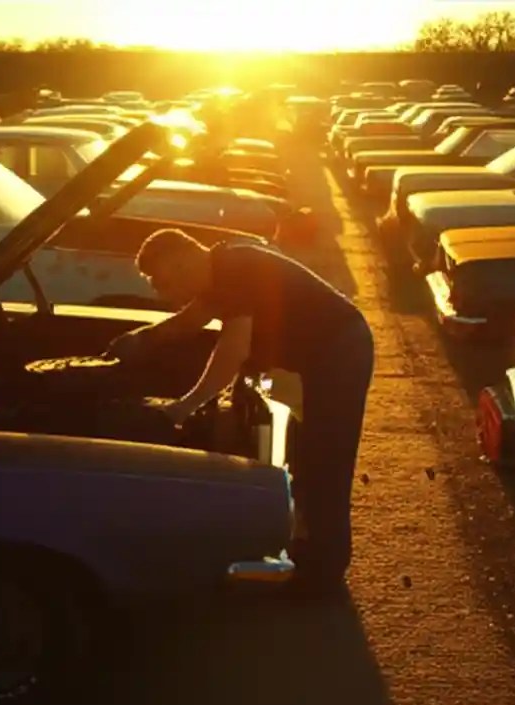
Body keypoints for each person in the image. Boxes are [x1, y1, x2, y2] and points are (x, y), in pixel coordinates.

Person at [107, 229, 374, 595]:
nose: (168, 294)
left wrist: (184, 407)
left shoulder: (236, 269)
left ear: (183, 261)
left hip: (342, 349)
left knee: (327, 458)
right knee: (307, 454)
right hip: (325, 354)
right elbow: (188, 322)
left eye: (167, 283)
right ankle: (306, 550)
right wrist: (140, 340)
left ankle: (322, 575)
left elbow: (232, 349)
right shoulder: (220, 270)